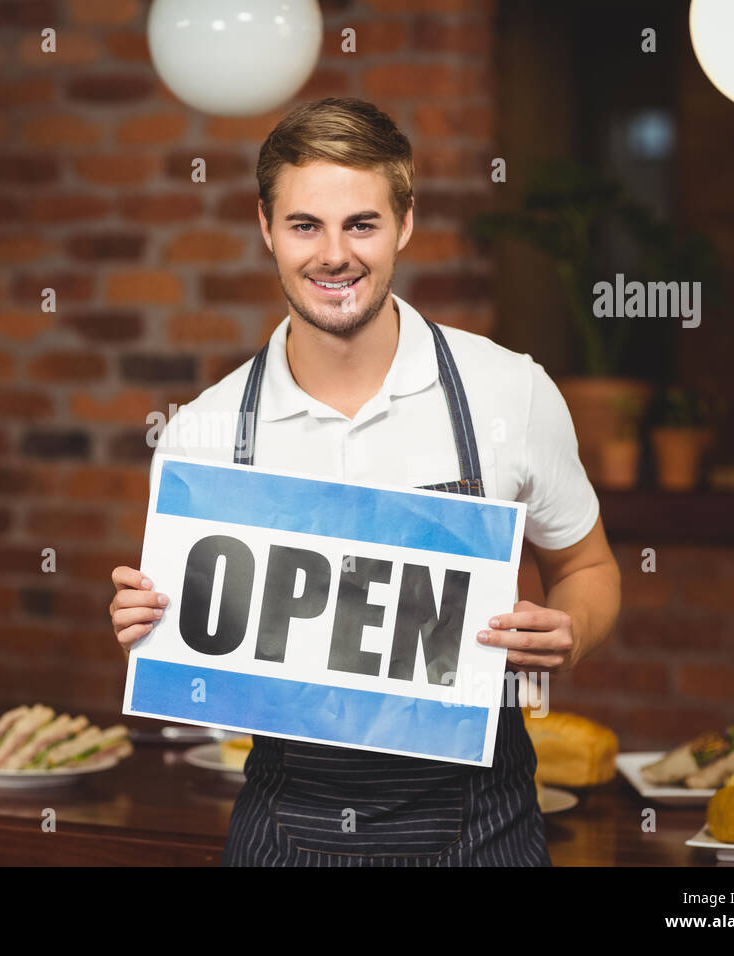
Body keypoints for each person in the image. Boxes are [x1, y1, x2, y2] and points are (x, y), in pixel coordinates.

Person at [109, 97, 621, 866]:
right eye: (305, 225)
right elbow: (196, 656)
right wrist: (145, 625)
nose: (333, 255)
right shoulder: (201, 434)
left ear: (404, 224)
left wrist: (570, 633)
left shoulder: (508, 391)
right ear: (266, 228)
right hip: (284, 832)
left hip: (482, 831)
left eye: (362, 224)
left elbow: (587, 567)